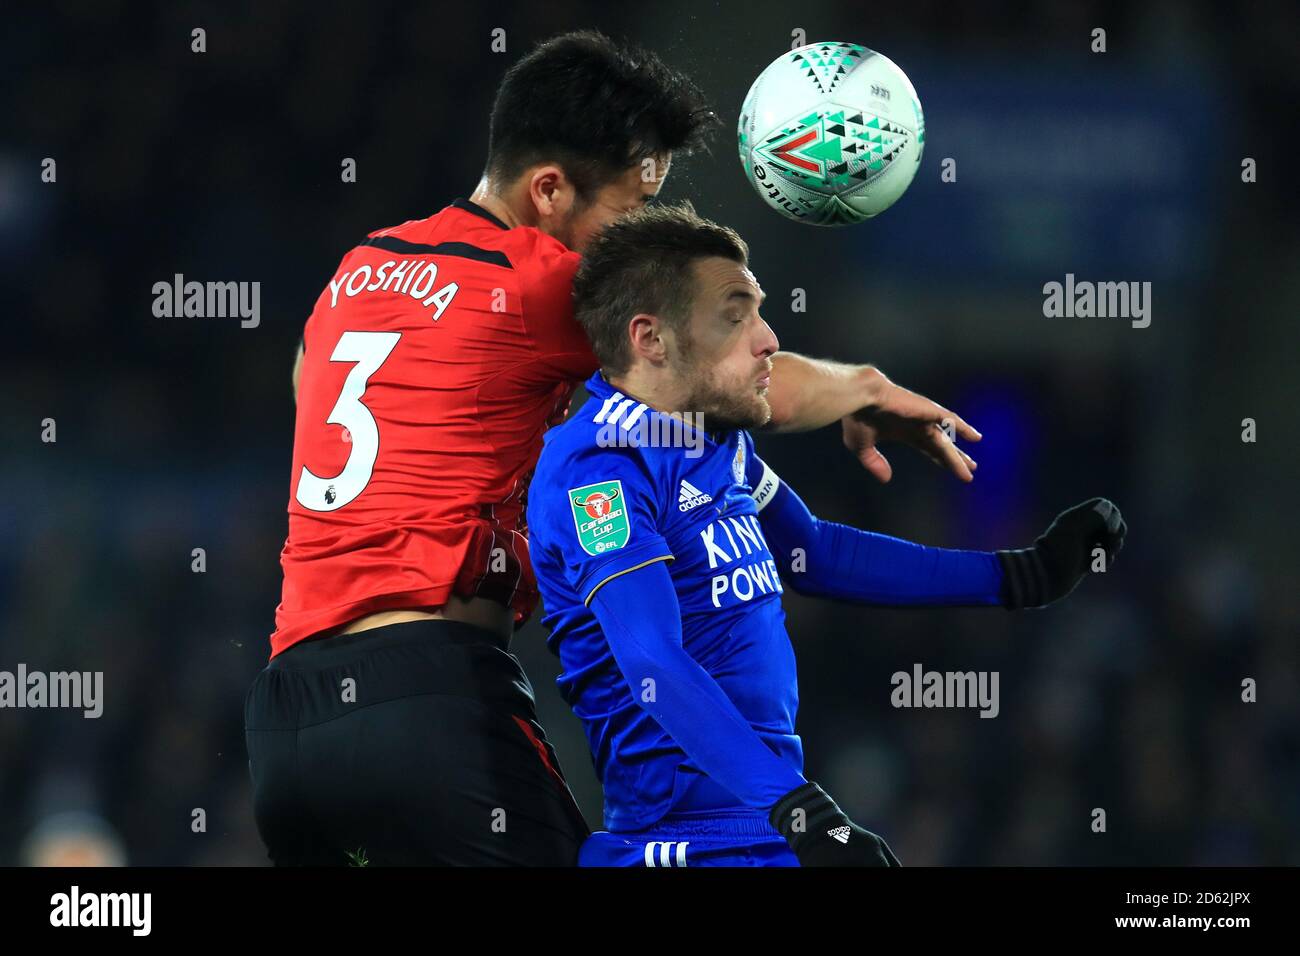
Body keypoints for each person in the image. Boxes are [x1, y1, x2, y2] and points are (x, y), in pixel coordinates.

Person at [246, 31, 983, 866]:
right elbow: (731, 379)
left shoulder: (360, 268)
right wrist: (865, 388)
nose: (640, 235)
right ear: (550, 190)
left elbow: (313, 384)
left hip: (286, 723)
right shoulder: (539, 283)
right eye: (632, 207)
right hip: (427, 696)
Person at [526, 202, 1126, 866]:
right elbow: (655, 666)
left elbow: (814, 552)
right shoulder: (597, 472)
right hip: (686, 842)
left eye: (759, 312)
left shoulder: (710, 440)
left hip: (765, 828)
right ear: (650, 340)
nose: (768, 339)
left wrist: (1018, 577)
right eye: (736, 317)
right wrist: (807, 814)